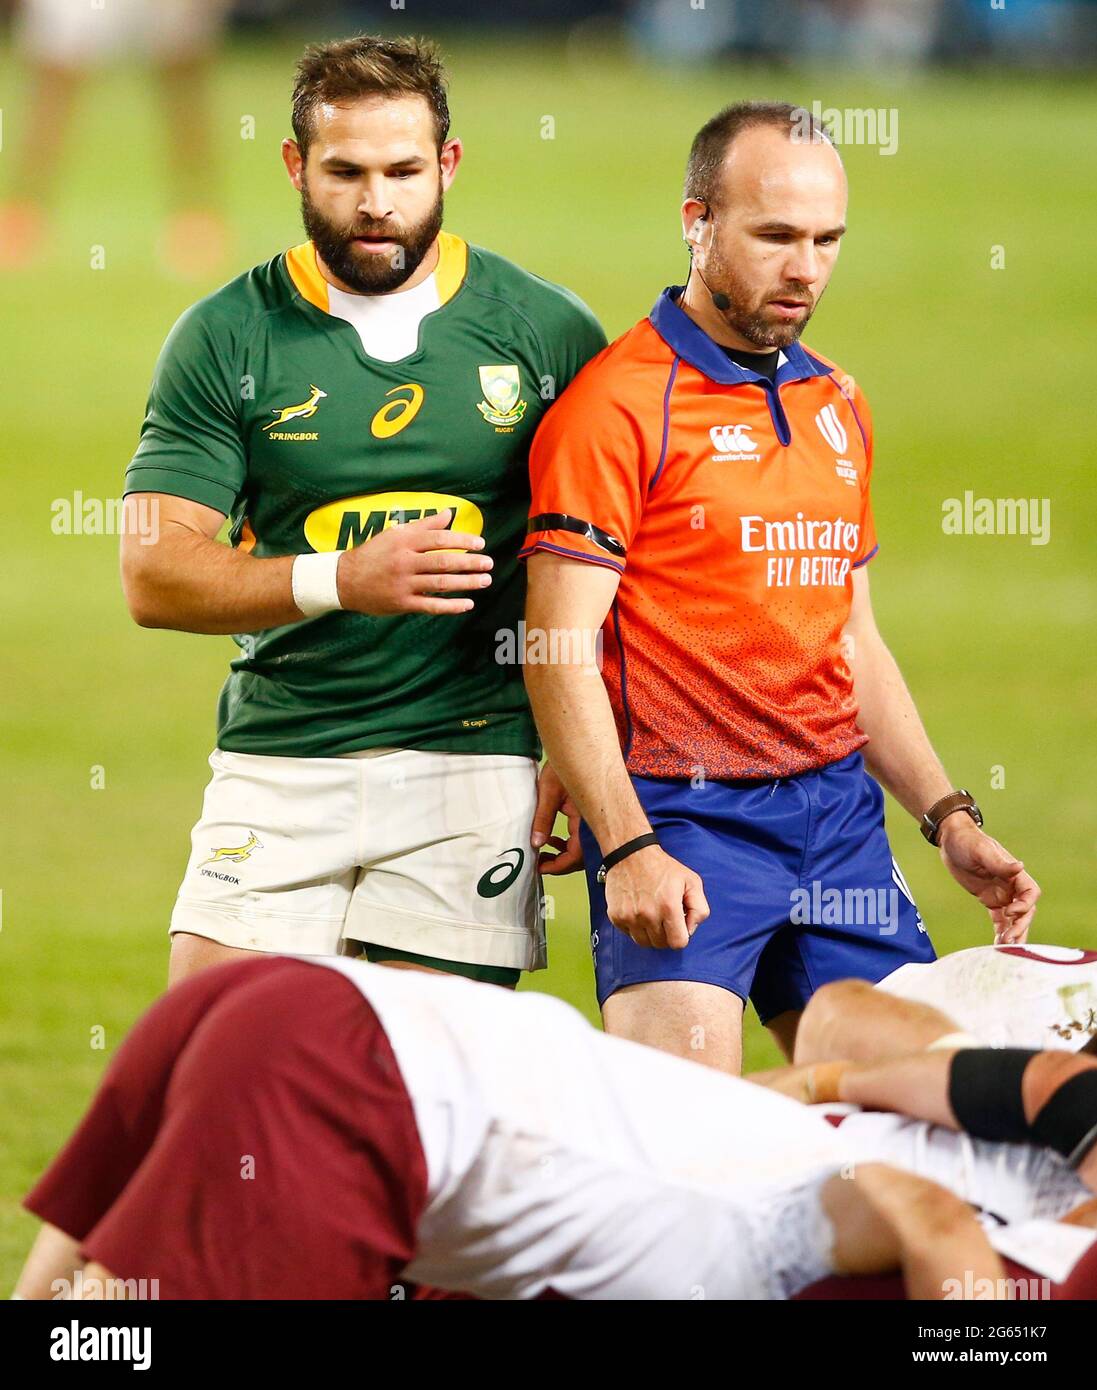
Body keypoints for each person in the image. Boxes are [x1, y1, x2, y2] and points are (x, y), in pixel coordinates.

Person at [521, 100, 1038, 1073]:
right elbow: (555, 649)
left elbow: (851, 641)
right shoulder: (617, 407)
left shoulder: (833, 399)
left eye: (825, 239)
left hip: (837, 821)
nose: (804, 268)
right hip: (683, 819)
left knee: (919, 1114)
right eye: (773, 237)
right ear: (695, 221)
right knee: (691, 1142)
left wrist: (945, 816)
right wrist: (624, 843)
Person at [118, 35, 605, 988]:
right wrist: (340, 578)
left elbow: (609, 571)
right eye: (344, 172)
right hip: (281, 754)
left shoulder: (547, 332)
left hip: (474, 762)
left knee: (413, 1100)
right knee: (217, 1070)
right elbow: (152, 572)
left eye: (403, 171)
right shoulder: (226, 334)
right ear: (297, 166)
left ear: (448, 165)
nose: (376, 203)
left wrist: (593, 763)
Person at [15, 954, 1007, 1302]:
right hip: (356, 1083)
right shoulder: (807, 1196)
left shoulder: (729, 1124)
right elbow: (928, 1215)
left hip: (278, 996)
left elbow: (833, 1052)